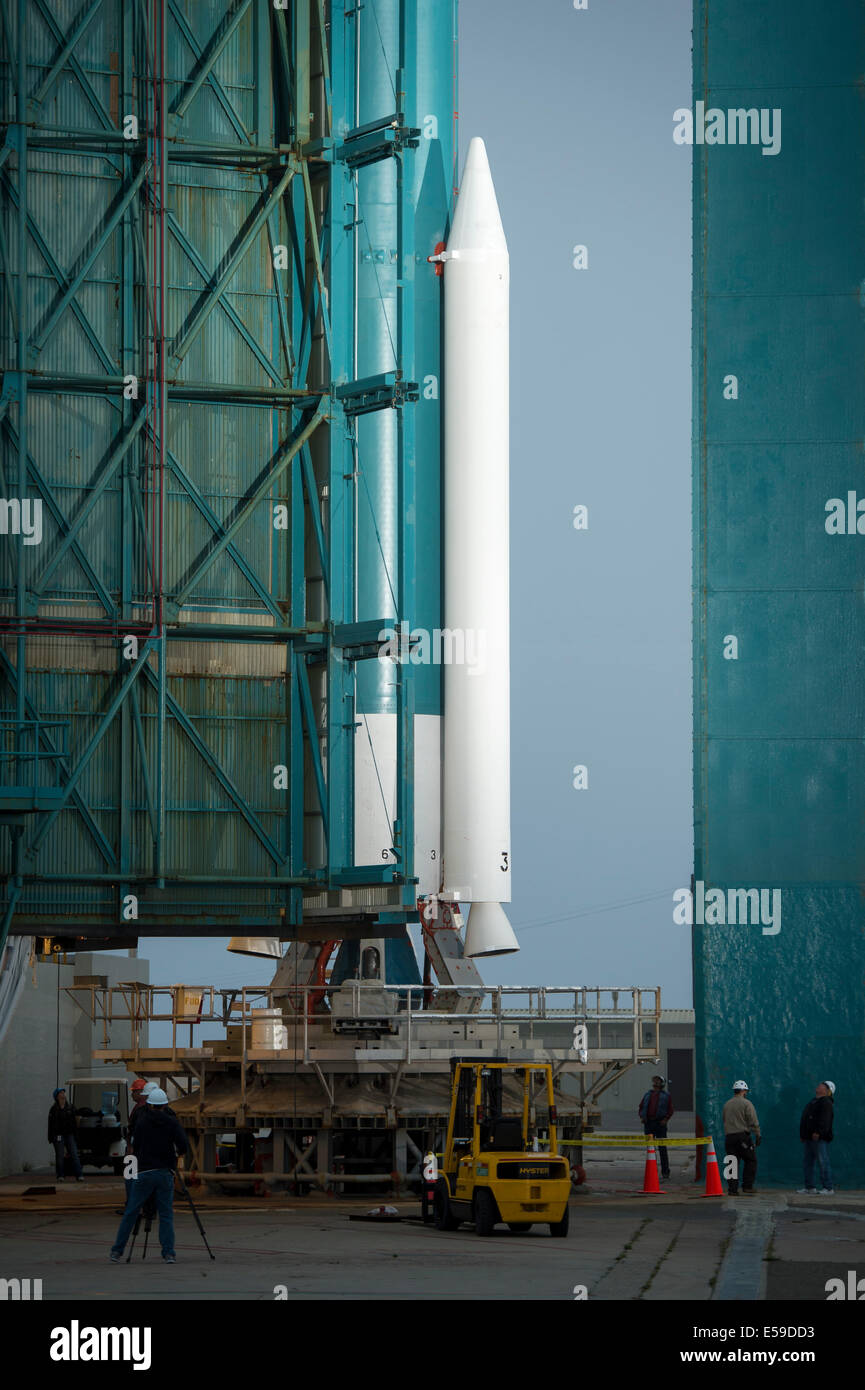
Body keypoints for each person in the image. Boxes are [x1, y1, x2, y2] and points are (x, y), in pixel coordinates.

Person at [110, 1087, 188, 1264]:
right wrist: (176, 1155)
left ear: (150, 1105)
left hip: (144, 1172)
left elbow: (136, 1145)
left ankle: (117, 1251)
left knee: (131, 1211)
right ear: (164, 1105)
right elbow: (183, 1145)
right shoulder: (171, 1122)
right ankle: (169, 1253)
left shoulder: (142, 1122)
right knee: (166, 1214)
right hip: (164, 1173)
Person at [722, 1079, 761, 1195]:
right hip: (742, 1137)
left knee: (732, 1163)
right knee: (751, 1160)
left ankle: (732, 1189)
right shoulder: (746, 1103)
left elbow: (724, 1120)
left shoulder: (727, 1104)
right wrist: (758, 1134)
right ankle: (747, 1186)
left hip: (729, 1137)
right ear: (743, 1091)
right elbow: (753, 1120)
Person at [797, 1080, 835, 1195]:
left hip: (819, 1138)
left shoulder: (826, 1102)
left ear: (828, 1091)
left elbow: (825, 1119)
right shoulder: (813, 1102)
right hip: (809, 1138)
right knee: (808, 1162)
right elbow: (806, 1118)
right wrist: (803, 1135)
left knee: (823, 1162)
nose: (819, 1086)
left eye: (823, 1085)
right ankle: (810, 1187)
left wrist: (818, 1132)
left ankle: (828, 1188)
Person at [638, 1074, 674, 1179]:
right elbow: (641, 1107)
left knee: (662, 1148)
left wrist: (665, 1119)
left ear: (662, 1083)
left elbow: (670, 1110)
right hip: (649, 1123)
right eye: (654, 1081)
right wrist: (642, 1116)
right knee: (650, 1149)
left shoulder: (666, 1096)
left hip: (660, 1124)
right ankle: (651, 1172)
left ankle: (665, 1172)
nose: (655, 1083)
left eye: (658, 1081)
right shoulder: (647, 1094)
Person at [47, 1087, 83, 1182]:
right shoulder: (54, 1109)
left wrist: (76, 1134)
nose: (63, 1095)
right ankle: (60, 1175)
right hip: (58, 1135)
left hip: (70, 1134)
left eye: (63, 1093)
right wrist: (50, 1137)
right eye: (61, 1093)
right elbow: (50, 1124)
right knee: (59, 1156)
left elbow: (76, 1121)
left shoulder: (70, 1107)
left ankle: (79, 1175)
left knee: (74, 1154)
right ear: (57, 1097)